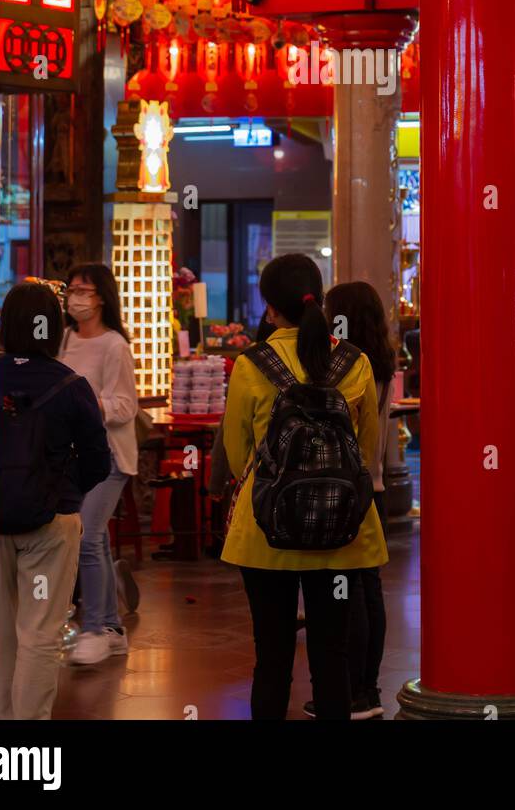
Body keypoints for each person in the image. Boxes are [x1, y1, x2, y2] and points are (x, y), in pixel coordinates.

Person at [221, 253, 388, 720]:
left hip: (265, 534)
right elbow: (367, 452)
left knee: (271, 655)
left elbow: (238, 456)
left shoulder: (251, 365)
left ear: (270, 308)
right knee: (332, 654)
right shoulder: (354, 363)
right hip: (341, 536)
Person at [0, 281, 110, 719]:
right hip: (52, 525)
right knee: (40, 634)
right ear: (53, 329)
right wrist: (66, 494)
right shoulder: (71, 385)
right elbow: (99, 460)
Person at [300, 280, 398, 719]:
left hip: (345, 486)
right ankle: (369, 689)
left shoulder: (348, 367)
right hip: (372, 484)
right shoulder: (382, 361)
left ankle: (353, 694)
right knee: (369, 589)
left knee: (350, 592)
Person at [61, 263, 139, 666]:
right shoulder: (64, 340)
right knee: (96, 540)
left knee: (87, 536)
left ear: (102, 298)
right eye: (71, 290)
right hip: (71, 456)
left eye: (84, 291)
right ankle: (110, 627)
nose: (76, 297)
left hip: (108, 454)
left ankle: (93, 627)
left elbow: (125, 406)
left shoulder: (114, 346)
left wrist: (82, 407)